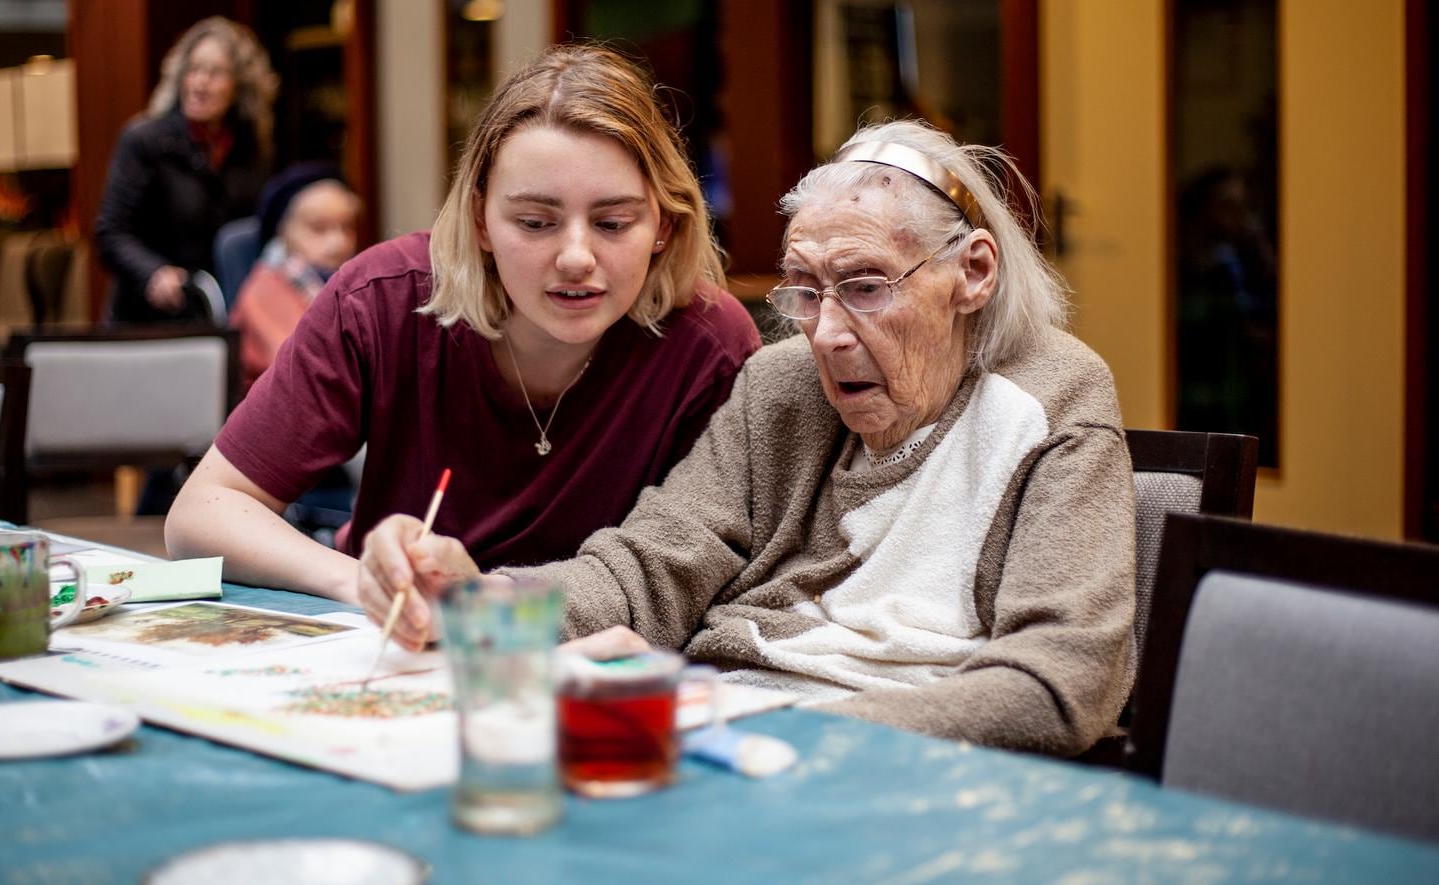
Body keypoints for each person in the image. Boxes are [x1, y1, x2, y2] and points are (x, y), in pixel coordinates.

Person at [360, 120, 1137, 757]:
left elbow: (1058, 676)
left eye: (866, 286)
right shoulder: (781, 384)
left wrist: (795, 731)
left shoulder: (1051, 398)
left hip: (899, 768)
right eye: (805, 289)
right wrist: (485, 606)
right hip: (715, 741)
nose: (826, 333)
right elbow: (647, 569)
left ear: (972, 272)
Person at [165, 43, 762, 605]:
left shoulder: (711, 345)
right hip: (391, 649)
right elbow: (201, 514)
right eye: (534, 222)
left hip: (593, 661)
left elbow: (728, 562)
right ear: (480, 220)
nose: (576, 256)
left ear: (662, 224)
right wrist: (363, 584)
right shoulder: (385, 300)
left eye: (613, 224)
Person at [95, 16, 277, 323]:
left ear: (240, 86)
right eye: (193, 70)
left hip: (219, 315)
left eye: (215, 73)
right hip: (146, 318)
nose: (200, 83)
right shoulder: (144, 140)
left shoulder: (253, 149)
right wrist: (153, 272)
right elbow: (110, 233)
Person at [231, 163, 362, 391]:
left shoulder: (346, 282)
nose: (338, 242)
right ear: (282, 231)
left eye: (346, 227)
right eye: (318, 228)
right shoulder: (265, 289)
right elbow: (303, 376)